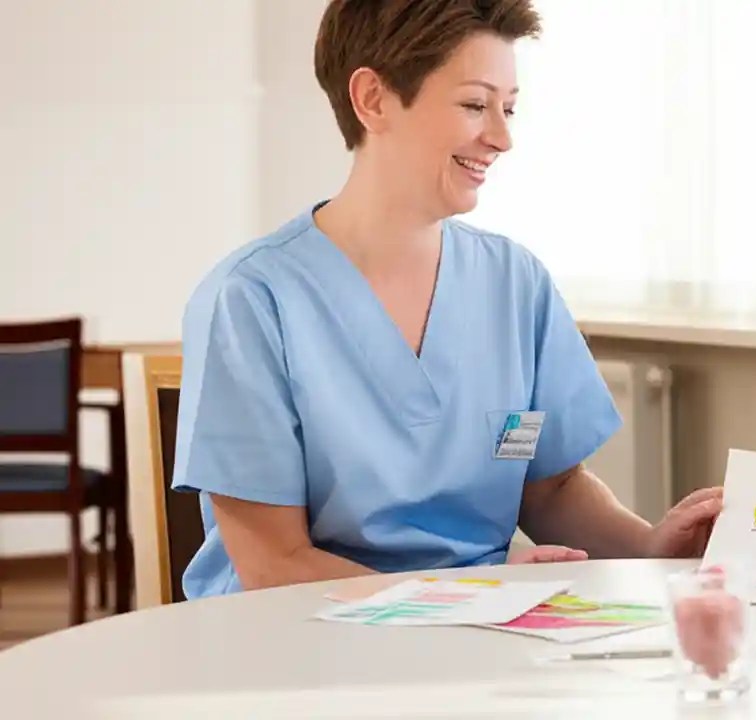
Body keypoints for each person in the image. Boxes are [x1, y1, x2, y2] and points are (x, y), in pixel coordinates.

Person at [172, 0, 722, 599]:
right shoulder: (252, 300)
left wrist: (648, 549)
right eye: (474, 105)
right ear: (373, 100)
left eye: (508, 108)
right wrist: (470, 596)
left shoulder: (514, 282)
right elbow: (273, 566)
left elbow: (550, 490)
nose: (503, 137)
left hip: (477, 637)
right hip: (303, 646)